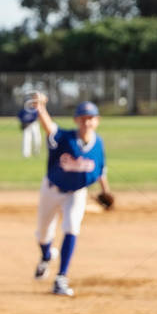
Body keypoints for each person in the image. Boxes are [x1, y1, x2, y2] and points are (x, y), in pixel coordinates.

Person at [30, 94, 111, 297]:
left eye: (91, 118)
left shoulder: (98, 143)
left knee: (71, 227)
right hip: (51, 189)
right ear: (76, 120)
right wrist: (40, 107)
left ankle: (61, 277)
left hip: (76, 193)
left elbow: (101, 170)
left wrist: (105, 191)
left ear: (97, 120)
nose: (87, 122)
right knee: (42, 233)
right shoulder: (65, 138)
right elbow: (49, 127)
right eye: (83, 118)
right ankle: (46, 256)